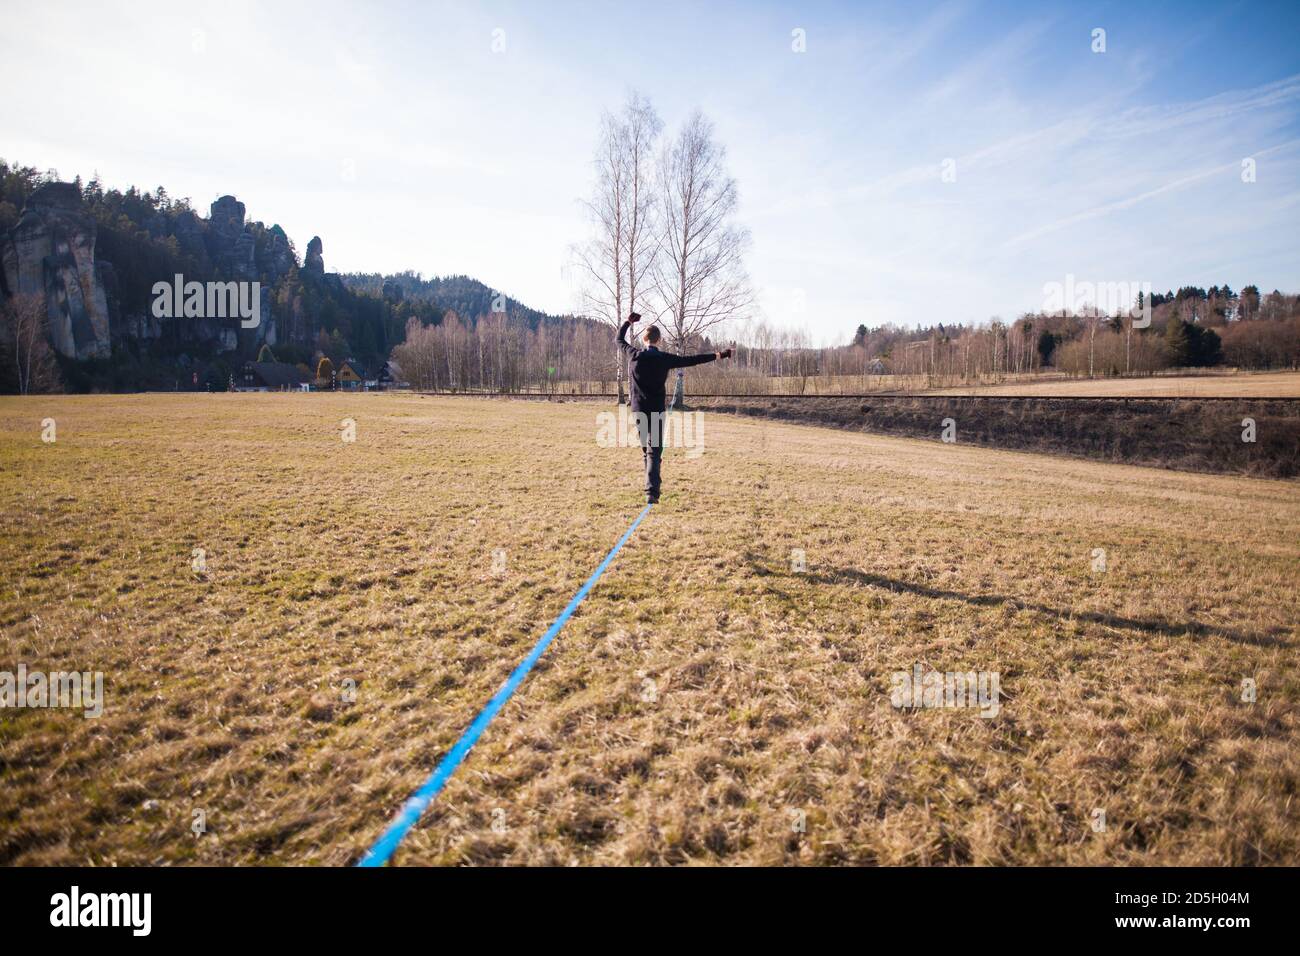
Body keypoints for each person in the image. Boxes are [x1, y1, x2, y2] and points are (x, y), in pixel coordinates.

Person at [617, 312, 732, 504]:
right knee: (654, 451)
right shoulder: (664, 358)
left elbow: (619, 339)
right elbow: (693, 359)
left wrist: (628, 322)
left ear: (644, 339)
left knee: (647, 450)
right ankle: (652, 491)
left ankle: (651, 487)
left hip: (638, 409)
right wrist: (719, 355)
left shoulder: (634, 355)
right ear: (659, 340)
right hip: (656, 410)